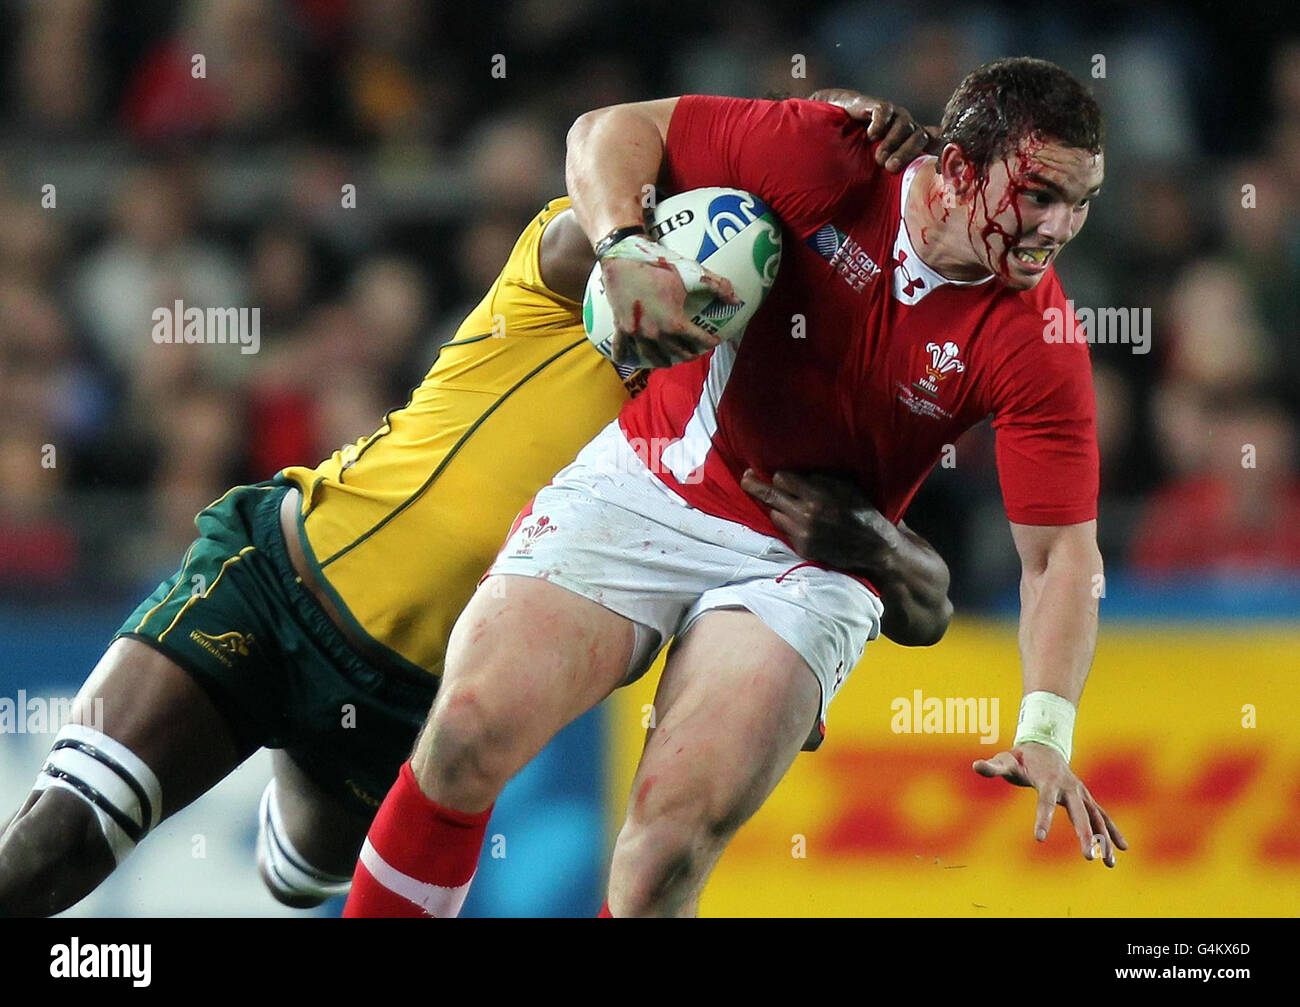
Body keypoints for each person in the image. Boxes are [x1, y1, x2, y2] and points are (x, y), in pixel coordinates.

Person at [0, 94, 944, 917]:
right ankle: (260, 736)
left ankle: (293, 780)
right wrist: (792, 134)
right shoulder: (567, 274)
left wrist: (874, 550)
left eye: (720, 299)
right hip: (282, 578)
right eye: (680, 264)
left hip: (415, 706)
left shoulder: (756, 436)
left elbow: (925, 605)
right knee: (63, 842)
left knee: (300, 878)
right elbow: (611, 147)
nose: (689, 300)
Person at [342, 57, 1128, 920]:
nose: (1061, 226)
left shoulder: (1039, 340)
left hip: (810, 567)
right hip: (656, 475)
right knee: (465, 731)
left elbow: (1059, 556)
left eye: (1082, 201)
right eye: (1042, 194)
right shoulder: (831, 159)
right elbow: (606, 131)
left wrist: (1047, 729)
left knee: (661, 862)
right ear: (961, 171)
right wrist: (624, 247)